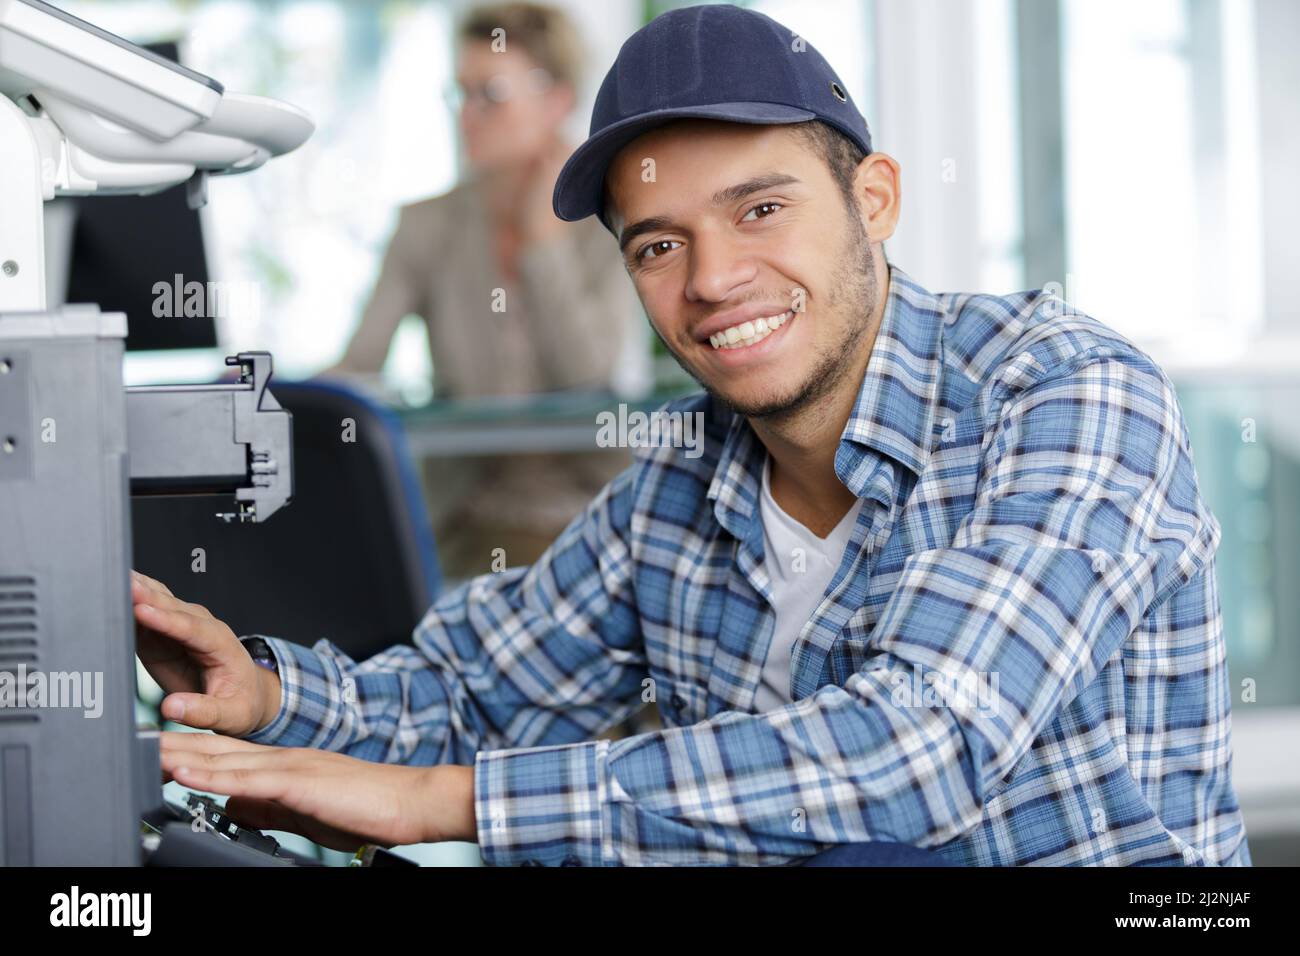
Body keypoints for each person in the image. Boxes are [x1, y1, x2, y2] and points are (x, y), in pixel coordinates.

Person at [133, 5, 1250, 867]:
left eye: (761, 210)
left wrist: (455, 803)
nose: (713, 280)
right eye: (659, 245)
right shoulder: (683, 468)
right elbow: (477, 692)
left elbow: (921, 749)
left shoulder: (1067, 397)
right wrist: (269, 693)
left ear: (873, 200)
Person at [324, 1, 639, 579]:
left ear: (556, 101)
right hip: (470, 520)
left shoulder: (610, 218)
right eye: (459, 94)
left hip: (592, 513)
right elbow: (359, 364)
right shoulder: (426, 224)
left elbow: (585, 374)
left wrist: (544, 248)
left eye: (489, 95)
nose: (466, 115)